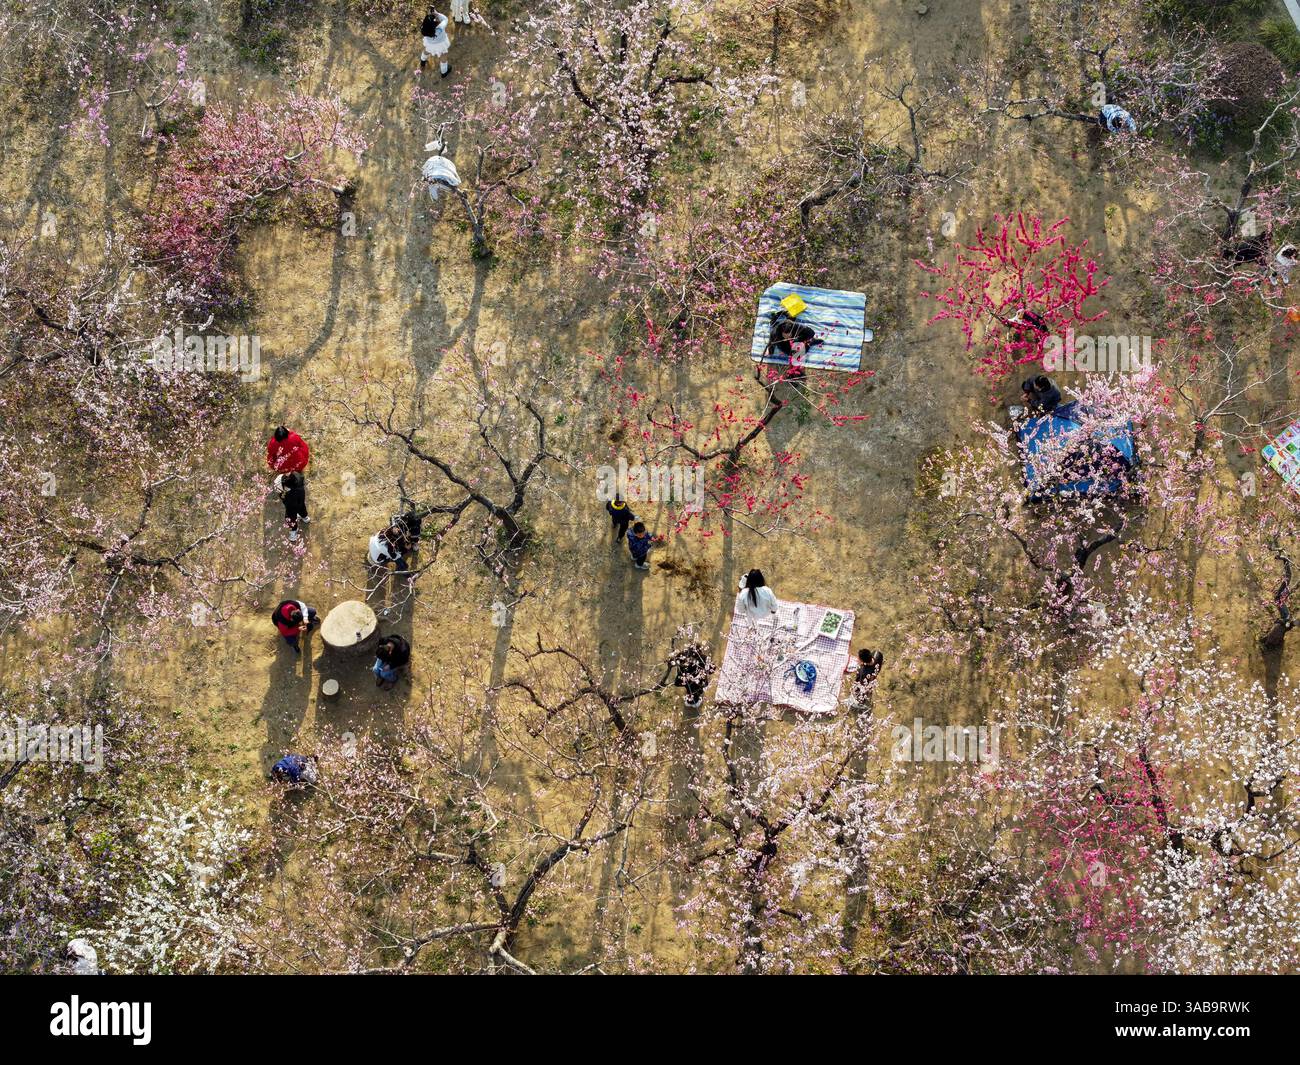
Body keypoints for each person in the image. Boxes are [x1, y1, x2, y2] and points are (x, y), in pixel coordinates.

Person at [764, 308, 822, 373]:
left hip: (796, 338)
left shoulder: (796, 326)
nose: (787, 337)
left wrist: (800, 339)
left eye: (789, 335)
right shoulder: (775, 332)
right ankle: (777, 316)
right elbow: (771, 341)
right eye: (785, 335)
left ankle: (810, 343)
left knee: (799, 352)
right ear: (782, 332)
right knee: (791, 353)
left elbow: (811, 332)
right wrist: (769, 350)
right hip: (781, 342)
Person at [671, 641, 714, 709]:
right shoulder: (703, 658)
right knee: (697, 689)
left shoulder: (683, 654)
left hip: (685, 677)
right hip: (697, 679)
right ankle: (694, 700)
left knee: (689, 688)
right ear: (700, 650)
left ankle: (692, 700)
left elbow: (674, 661)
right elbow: (712, 669)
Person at [418, 7, 451, 78]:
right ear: (436, 24)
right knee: (443, 56)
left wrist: (432, 16)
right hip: (441, 44)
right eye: (436, 20)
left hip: (430, 44)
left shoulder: (424, 29)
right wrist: (437, 14)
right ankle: (444, 72)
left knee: (426, 50)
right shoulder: (440, 28)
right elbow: (445, 19)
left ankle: (422, 61)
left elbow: (428, 22)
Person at [276, 471, 308, 542]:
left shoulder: (287, 492)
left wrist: (282, 493)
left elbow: (282, 497)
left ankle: (294, 531)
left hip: (291, 505)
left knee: (291, 517)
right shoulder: (298, 476)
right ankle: (305, 517)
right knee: (302, 507)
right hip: (300, 499)